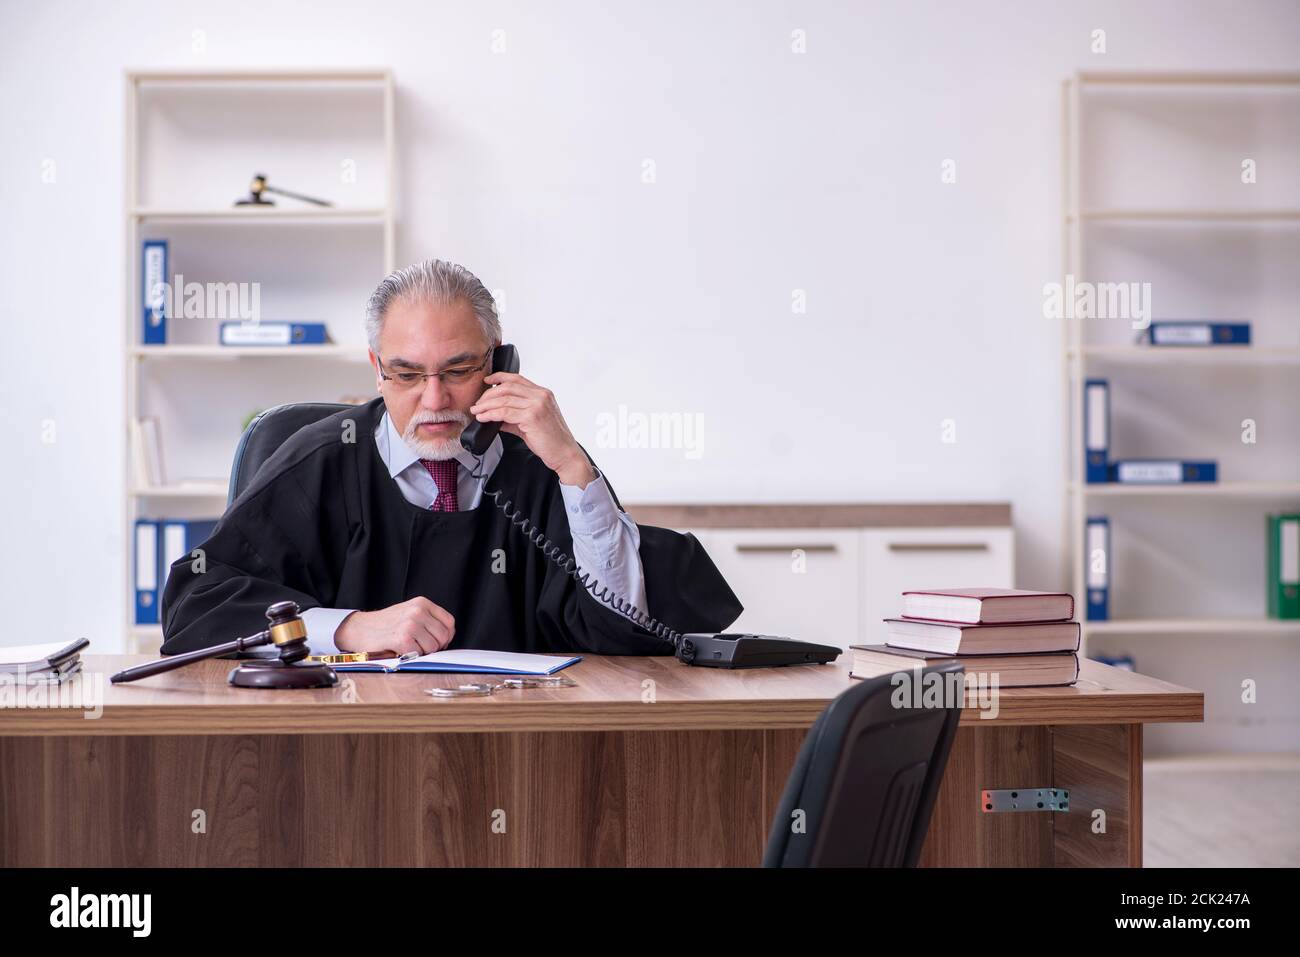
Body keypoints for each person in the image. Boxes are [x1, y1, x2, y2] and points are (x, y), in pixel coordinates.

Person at [160, 259, 741, 657]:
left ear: (498, 360)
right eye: (408, 374)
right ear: (376, 369)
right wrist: (348, 627)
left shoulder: (539, 464)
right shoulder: (318, 462)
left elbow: (625, 620)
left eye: (459, 371)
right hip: (343, 752)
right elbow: (197, 605)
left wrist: (573, 468)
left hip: (523, 752)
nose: (434, 401)